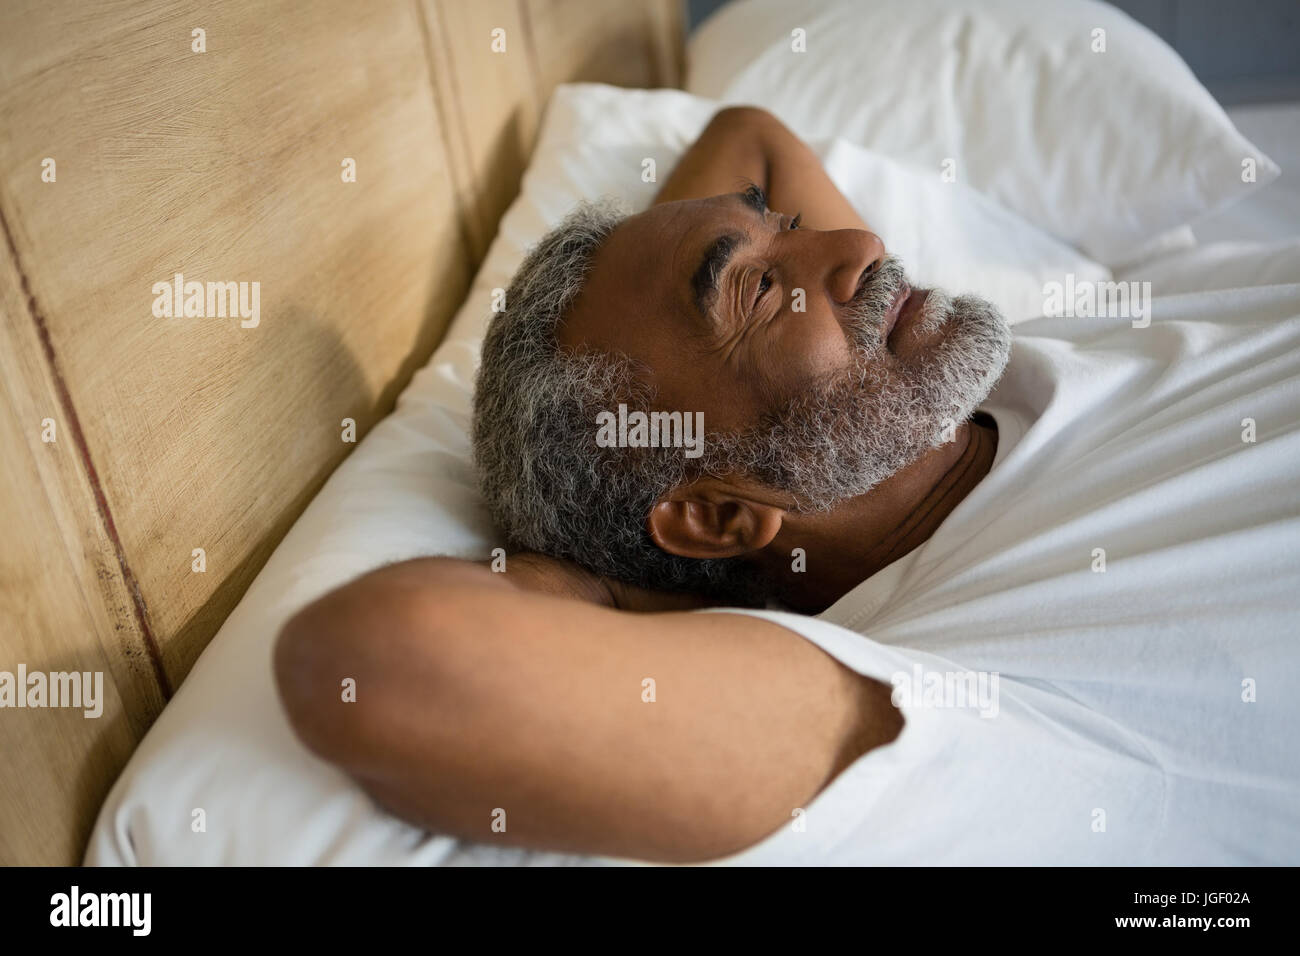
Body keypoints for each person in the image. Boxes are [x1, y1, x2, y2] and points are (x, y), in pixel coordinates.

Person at [274, 107, 1300, 865]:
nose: (860, 248)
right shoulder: (956, 682)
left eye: (786, 228)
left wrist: (738, 261)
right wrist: (601, 575)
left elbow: (748, 139)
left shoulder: (925, 378)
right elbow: (383, 662)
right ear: (718, 514)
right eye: (762, 286)